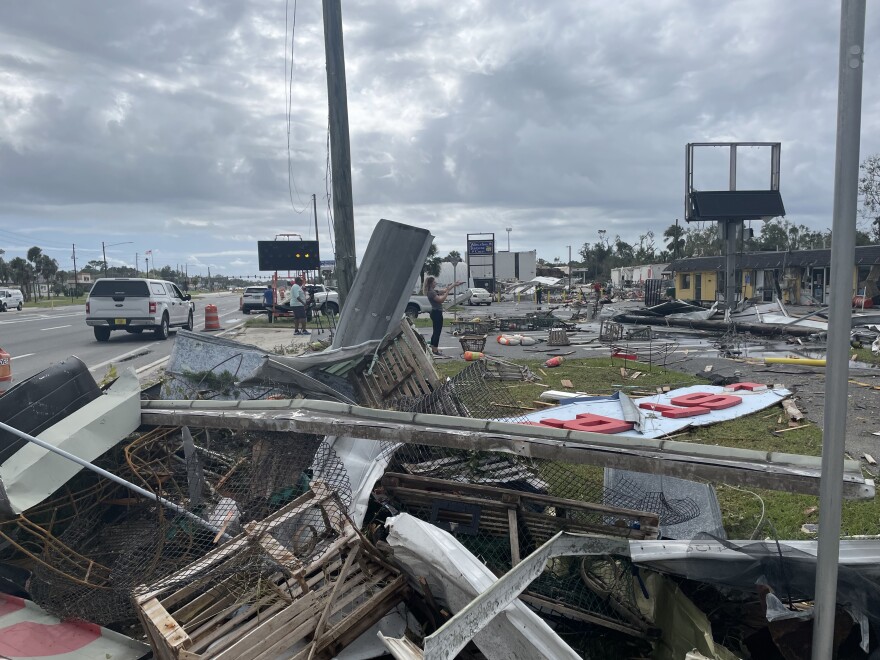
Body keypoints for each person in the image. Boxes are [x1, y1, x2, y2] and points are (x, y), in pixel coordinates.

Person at [424, 276, 458, 355]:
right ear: (431, 283)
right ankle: (435, 350)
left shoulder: (433, 291)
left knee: (435, 331)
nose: (435, 283)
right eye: (434, 282)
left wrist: (454, 285)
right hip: (436, 313)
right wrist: (447, 293)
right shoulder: (431, 292)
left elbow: (444, 290)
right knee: (437, 332)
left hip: (436, 312)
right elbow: (440, 300)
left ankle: (433, 347)